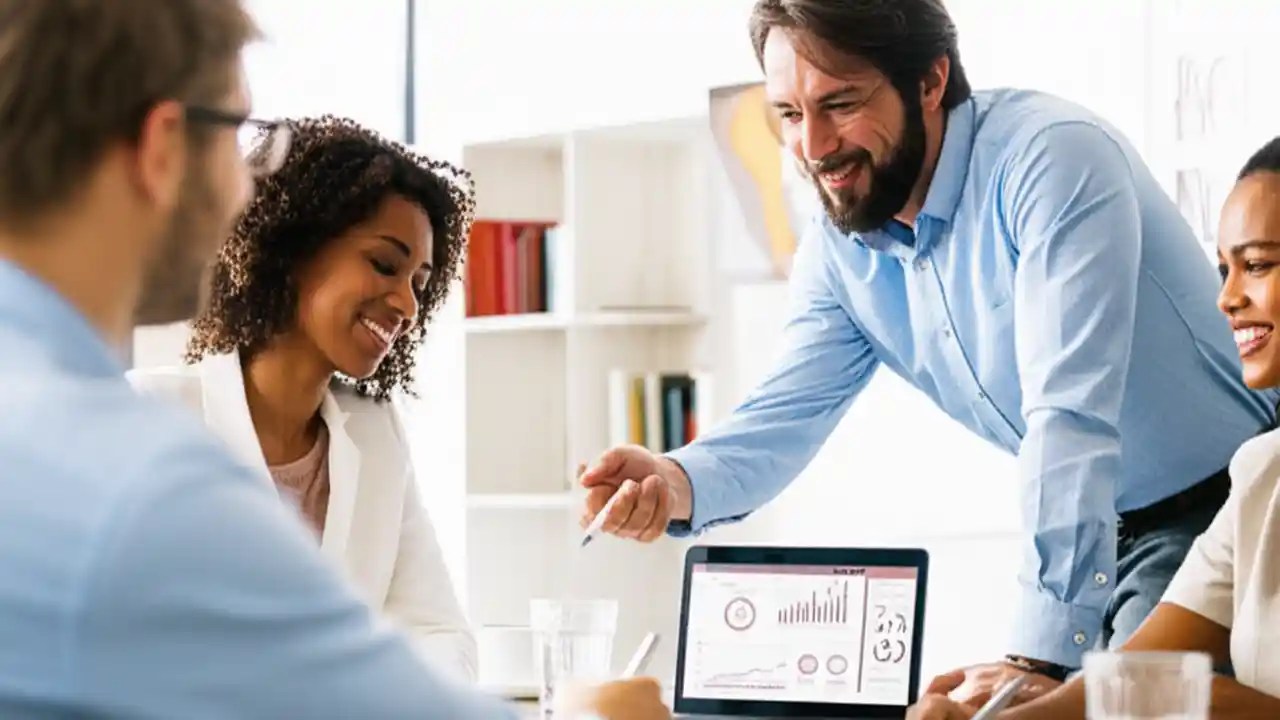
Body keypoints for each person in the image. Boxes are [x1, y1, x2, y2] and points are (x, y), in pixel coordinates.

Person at [578, 0, 1276, 706]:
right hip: (1093, 533)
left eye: (840, 104)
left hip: (1221, 507)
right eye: (789, 115)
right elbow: (786, 412)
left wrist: (1033, 654)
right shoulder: (842, 249)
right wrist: (674, 479)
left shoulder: (1050, 159)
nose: (813, 146)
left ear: (931, 82)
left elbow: (1071, 418)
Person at [0, 2, 667, 718]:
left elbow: (423, 638)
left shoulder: (42, 419)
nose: (245, 188)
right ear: (163, 147)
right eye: (239, 137)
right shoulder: (133, 473)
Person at [907, 138, 1280, 718]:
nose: (1227, 298)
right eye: (1225, 269)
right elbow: (1132, 677)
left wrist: (1191, 699)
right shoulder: (1262, 473)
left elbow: (1153, 691)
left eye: (1256, 265)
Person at [128, 115, 478, 682]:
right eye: (384, 264)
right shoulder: (151, 415)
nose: (408, 306)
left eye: (419, 283)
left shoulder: (375, 432)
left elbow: (439, 632)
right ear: (295, 248)